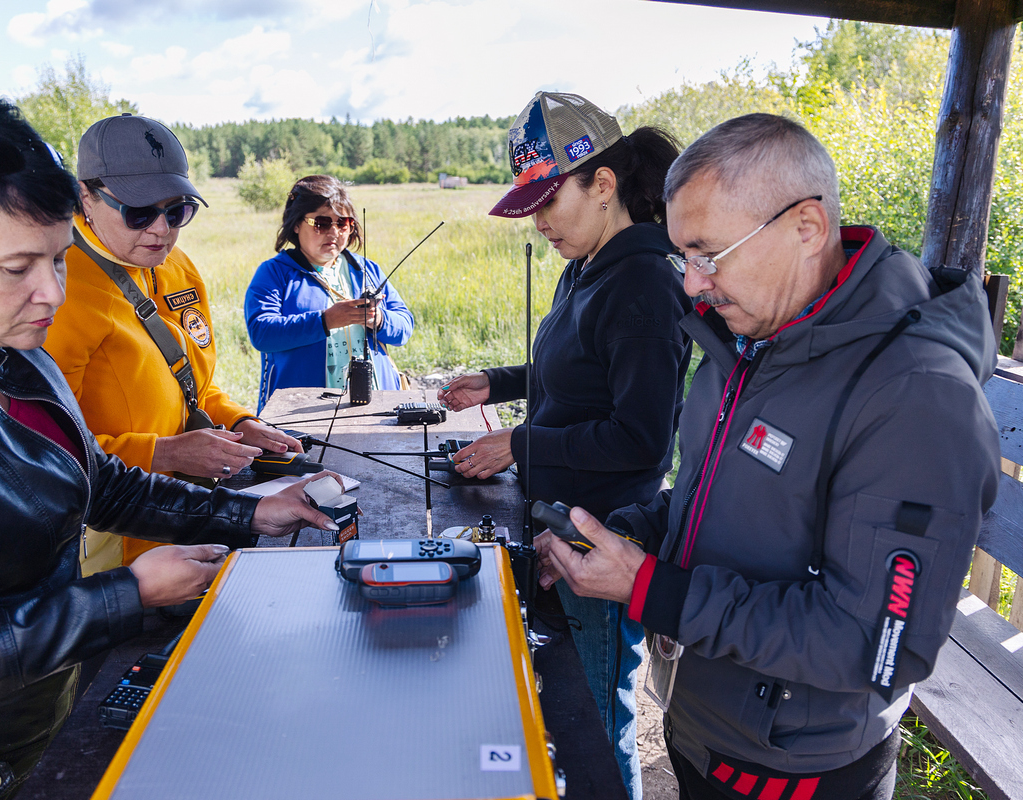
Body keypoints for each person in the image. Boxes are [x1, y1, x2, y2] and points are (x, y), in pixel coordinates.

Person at [0, 98, 339, 800]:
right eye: (17, 268)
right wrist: (121, 598)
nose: (51, 293)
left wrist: (248, 516)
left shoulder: (11, 349)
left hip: (28, 718)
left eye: (60, 259)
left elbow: (98, 482)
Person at [537, 113, 1000, 800]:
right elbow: (714, 500)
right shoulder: (750, 336)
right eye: (682, 256)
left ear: (806, 228)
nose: (691, 285)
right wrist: (633, 534)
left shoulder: (916, 395)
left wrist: (651, 588)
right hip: (709, 728)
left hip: (797, 769)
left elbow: (873, 643)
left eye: (707, 253)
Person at [438, 91, 694, 800]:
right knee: (562, 702)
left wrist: (520, 446)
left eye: (550, 200)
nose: (540, 221)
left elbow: (641, 440)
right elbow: (574, 373)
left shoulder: (642, 284)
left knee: (595, 720)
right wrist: (495, 383)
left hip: (603, 537)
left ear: (603, 184)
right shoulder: (587, 264)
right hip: (556, 522)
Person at [44, 113, 304, 572]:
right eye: (138, 211)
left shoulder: (175, 265)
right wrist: (164, 453)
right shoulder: (54, 290)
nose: (162, 229)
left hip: (195, 512)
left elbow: (190, 384)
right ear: (86, 197)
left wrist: (238, 421)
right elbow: (46, 452)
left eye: (178, 210)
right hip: (117, 548)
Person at [244, 174, 414, 412]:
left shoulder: (367, 269)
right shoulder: (274, 273)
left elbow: (405, 327)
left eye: (342, 223)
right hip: (300, 412)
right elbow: (262, 333)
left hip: (374, 405)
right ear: (296, 223)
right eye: (321, 223)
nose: (333, 232)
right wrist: (325, 321)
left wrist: (379, 320)